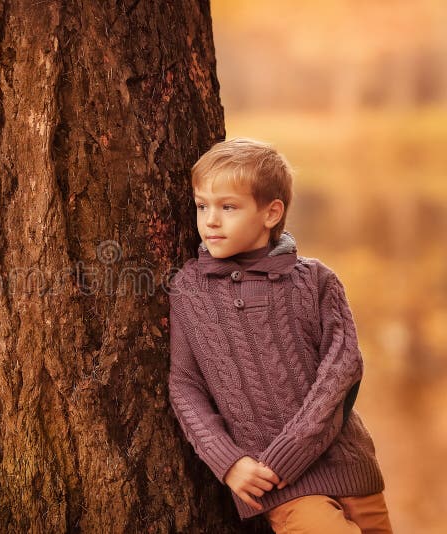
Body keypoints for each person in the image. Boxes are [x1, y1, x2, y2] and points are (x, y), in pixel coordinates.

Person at [167, 137, 393, 533]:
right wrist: (229, 462)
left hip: (349, 464)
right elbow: (185, 385)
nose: (211, 221)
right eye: (202, 206)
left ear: (271, 213)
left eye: (228, 207)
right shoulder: (190, 289)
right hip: (276, 487)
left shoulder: (315, 280)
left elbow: (343, 367)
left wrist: (289, 453)